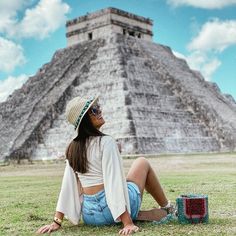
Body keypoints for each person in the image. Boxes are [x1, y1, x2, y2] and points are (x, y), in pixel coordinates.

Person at [36, 96, 174, 235]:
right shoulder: (106, 142)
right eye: (93, 111)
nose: (99, 111)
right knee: (141, 162)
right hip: (112, 210)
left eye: (98, 107)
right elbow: (113, 183)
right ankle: (167, 207)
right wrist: (128, 223)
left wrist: (56, 221)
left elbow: (67, 185)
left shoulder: (72, 148)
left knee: (121, 182)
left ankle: (133, 214)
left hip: (91, 216)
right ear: (85, 120)